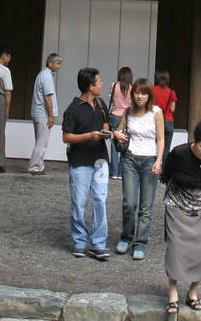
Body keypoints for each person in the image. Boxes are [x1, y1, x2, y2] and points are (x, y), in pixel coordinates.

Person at [162, 117, 201, 314]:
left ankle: (193, 292)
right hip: (178, 202)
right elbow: (166, 174)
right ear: (194, 141)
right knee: (175, 248)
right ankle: (172, 292)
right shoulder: (179, 153)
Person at [61, 66, 122, 260]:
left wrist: (110, 134)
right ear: (90, 86)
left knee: (100, 201)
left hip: (100, 158)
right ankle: (79, 241)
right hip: (80, 160)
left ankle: (98, 243)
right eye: (99, 82)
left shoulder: (102, 104)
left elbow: (105, 126)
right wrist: (88, 136)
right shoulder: (73, 109)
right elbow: (66, 137)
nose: (102, 84)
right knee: (79, 202)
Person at [114, 77, 164, 260]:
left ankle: (140, 242)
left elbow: (161, 139)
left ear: (149, 95)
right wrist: (116, 134)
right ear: (132, 94)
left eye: (144, 93)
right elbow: (118, 131)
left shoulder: (156, 112)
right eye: (137, 93)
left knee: (146, 206)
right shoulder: (128, 112)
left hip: (149, 160)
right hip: (130, 159)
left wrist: (159, 160)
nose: (140, 96)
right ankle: (126, 237)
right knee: (129, 202)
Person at [28, 53, 62, 176]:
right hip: (43, 114)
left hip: (38, 112)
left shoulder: (42, 75)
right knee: (42, 142)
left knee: (39, 140)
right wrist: (51, 115)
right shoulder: (47, 76)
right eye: (57, 63)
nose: (59, 66)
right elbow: (48, 97)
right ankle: (35, 166)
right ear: (50, 63)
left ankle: (39, 165)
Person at [107, 67, 133, 180]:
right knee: (124, 143)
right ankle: (122, 172)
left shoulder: (114, 86)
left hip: (114, 115)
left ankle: (113, 172)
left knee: (113, 143)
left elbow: (111, 100)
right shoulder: (132, 88)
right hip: (126, 117)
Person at [152, 70, 179, 165]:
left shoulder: (152, 90)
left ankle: (154, 170)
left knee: (154, 147)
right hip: (168, 121)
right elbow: (172, 109)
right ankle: (163, 174)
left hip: (155, 121)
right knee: (166, 149)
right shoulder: (172, 92)